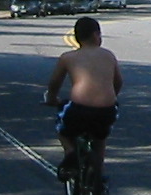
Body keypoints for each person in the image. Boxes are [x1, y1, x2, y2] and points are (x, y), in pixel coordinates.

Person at [45, 16, 123, 182]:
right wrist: (111, 97)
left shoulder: (67, 57)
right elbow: (118, 82)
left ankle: (70, 153)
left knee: (62, 129)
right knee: (100, 138)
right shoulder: (109, 55)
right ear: (96, 35)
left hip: (79, 109)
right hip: (106, 110)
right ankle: (99, 173)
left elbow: (54, 83)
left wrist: (52, 98)